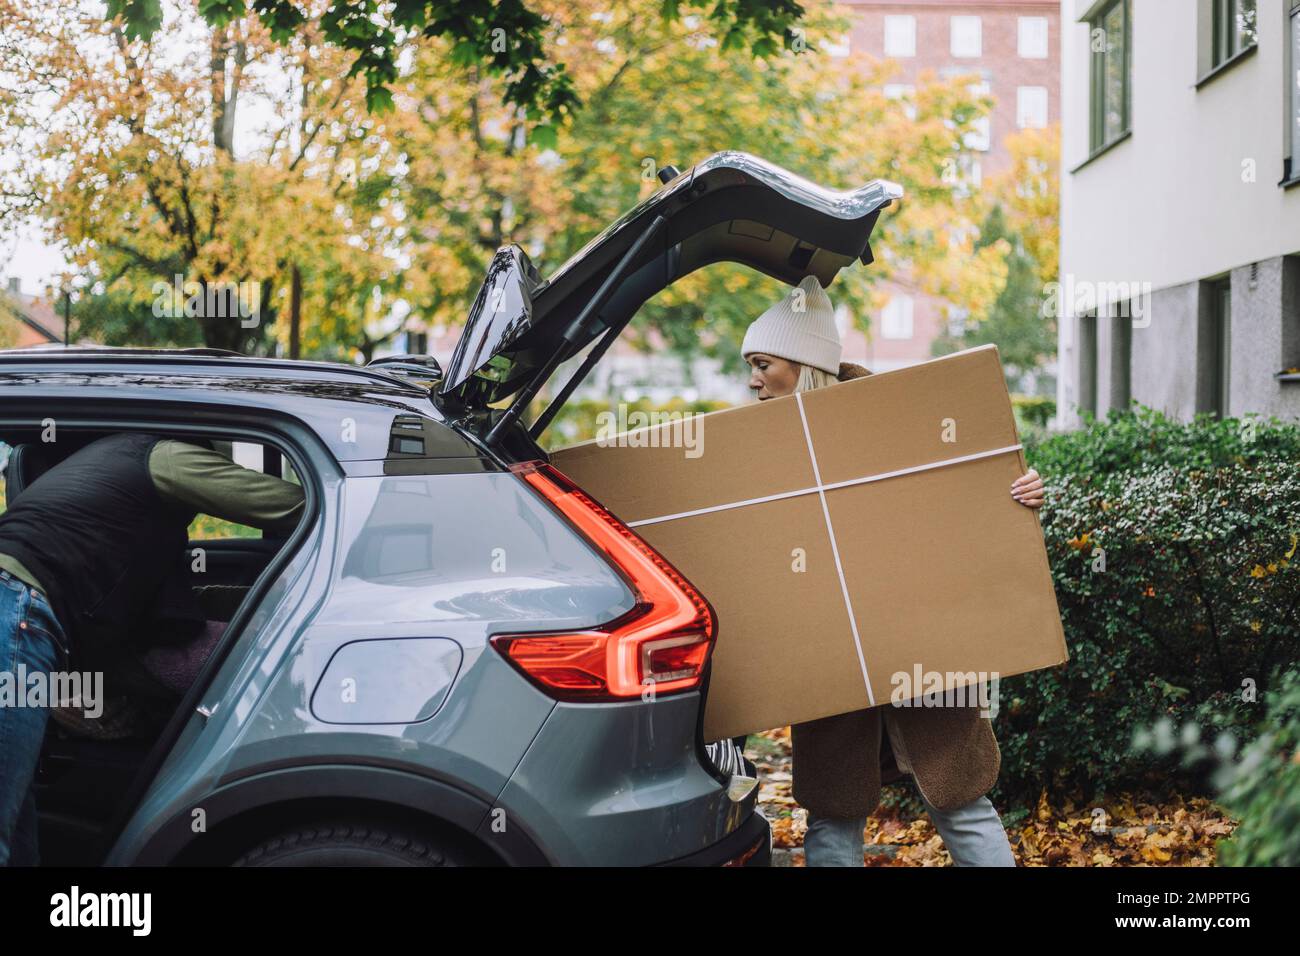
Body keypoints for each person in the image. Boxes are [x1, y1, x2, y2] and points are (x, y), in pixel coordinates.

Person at [739, 276, 1045, 867]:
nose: (753, 377)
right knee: (834, 810)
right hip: (829, 653)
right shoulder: (754, 448)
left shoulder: (899, 420)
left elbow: (965, 494)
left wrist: (1018, 494)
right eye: (751, 363)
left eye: (763, 362)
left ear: (803, 365)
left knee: (961, 802)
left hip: (922, 641)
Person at [0, 433, 305, 866]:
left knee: (16, 828)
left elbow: (156, 614)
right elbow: (292, 504)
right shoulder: (165, 457)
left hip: (20, 610)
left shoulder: (111, 481)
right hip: (14, 607)